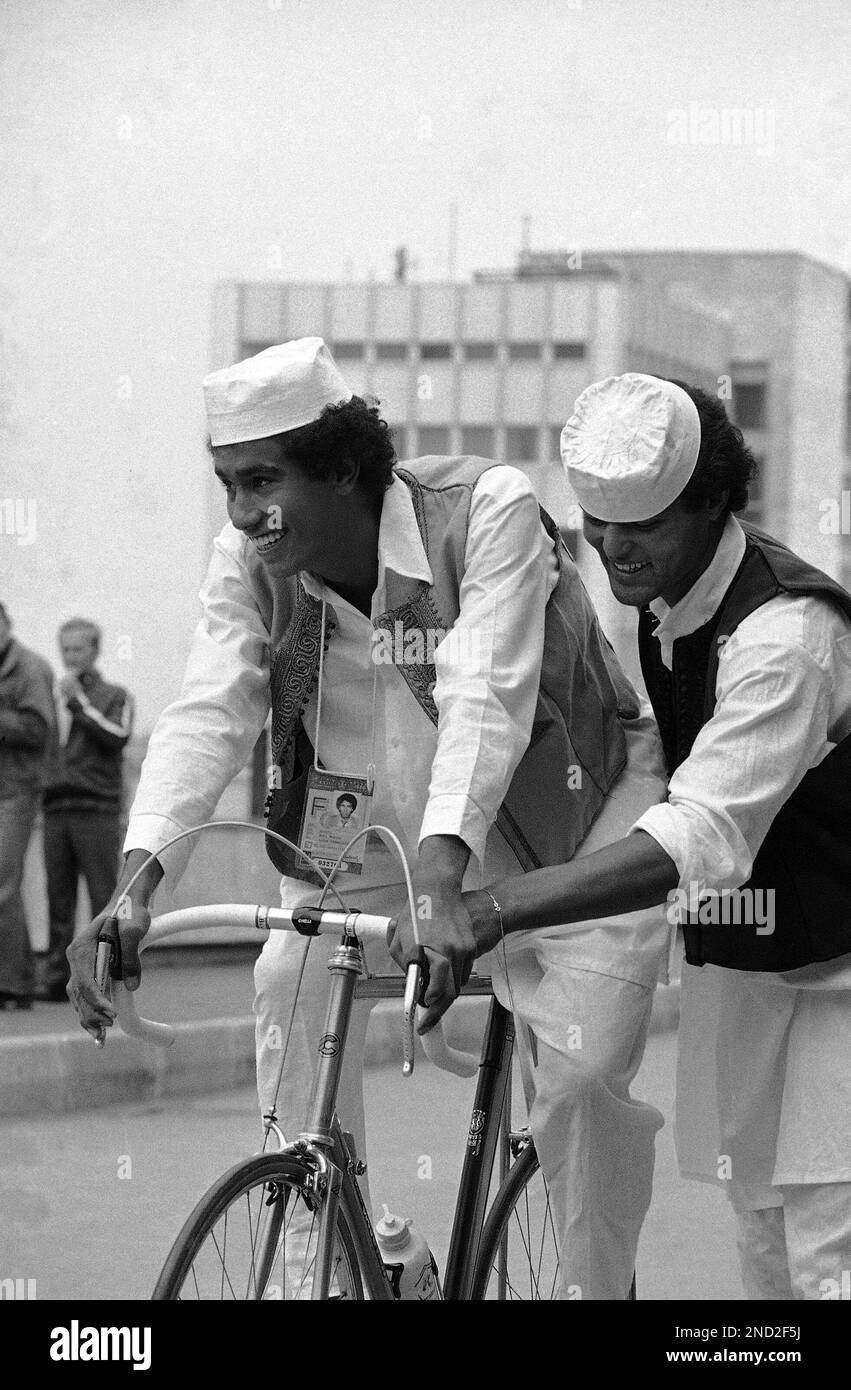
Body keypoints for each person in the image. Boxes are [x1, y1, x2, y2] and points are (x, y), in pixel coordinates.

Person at [67, 338, 670, 1299]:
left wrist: (442, 885)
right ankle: (334, 1266)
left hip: (572, 811)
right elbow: (209, 706)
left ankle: (601, 1294)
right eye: (225, 484)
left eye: (260, 481)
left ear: (343, 467)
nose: (240, 513)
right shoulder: (251, 560)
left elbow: (487, 695)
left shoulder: (486, 509)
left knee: (585, 1079)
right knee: (290, 969)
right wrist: (137, 886)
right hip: (384, 830)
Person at [464, 372, 851, 1301]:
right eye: (597, 523)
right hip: (747, 963)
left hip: (841, 972)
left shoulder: (785, 636)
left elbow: (702, 830)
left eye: (641, 525)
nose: (613, 549)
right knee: (760, 1236)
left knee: (825, 1252)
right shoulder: (664, 604)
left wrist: (495, 909)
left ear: (713, 500)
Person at [38, 618, 134, 1000]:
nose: (70, 656)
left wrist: (79, 704)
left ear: (95, 650)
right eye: (65, 649)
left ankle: (103, 973)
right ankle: (58, 978)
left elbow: (118, 737)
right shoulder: (53, 696)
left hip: (96, 810)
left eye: (78, 648)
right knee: (57, 898)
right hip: (57, 808)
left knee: (101, 896)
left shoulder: (115, 695)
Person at [0, 602, 56, 1009]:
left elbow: (38, 730)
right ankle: (18, 983)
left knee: (2, 883)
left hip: (17, 789)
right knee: (6, 885)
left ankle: (14, 984)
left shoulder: (30, 668)